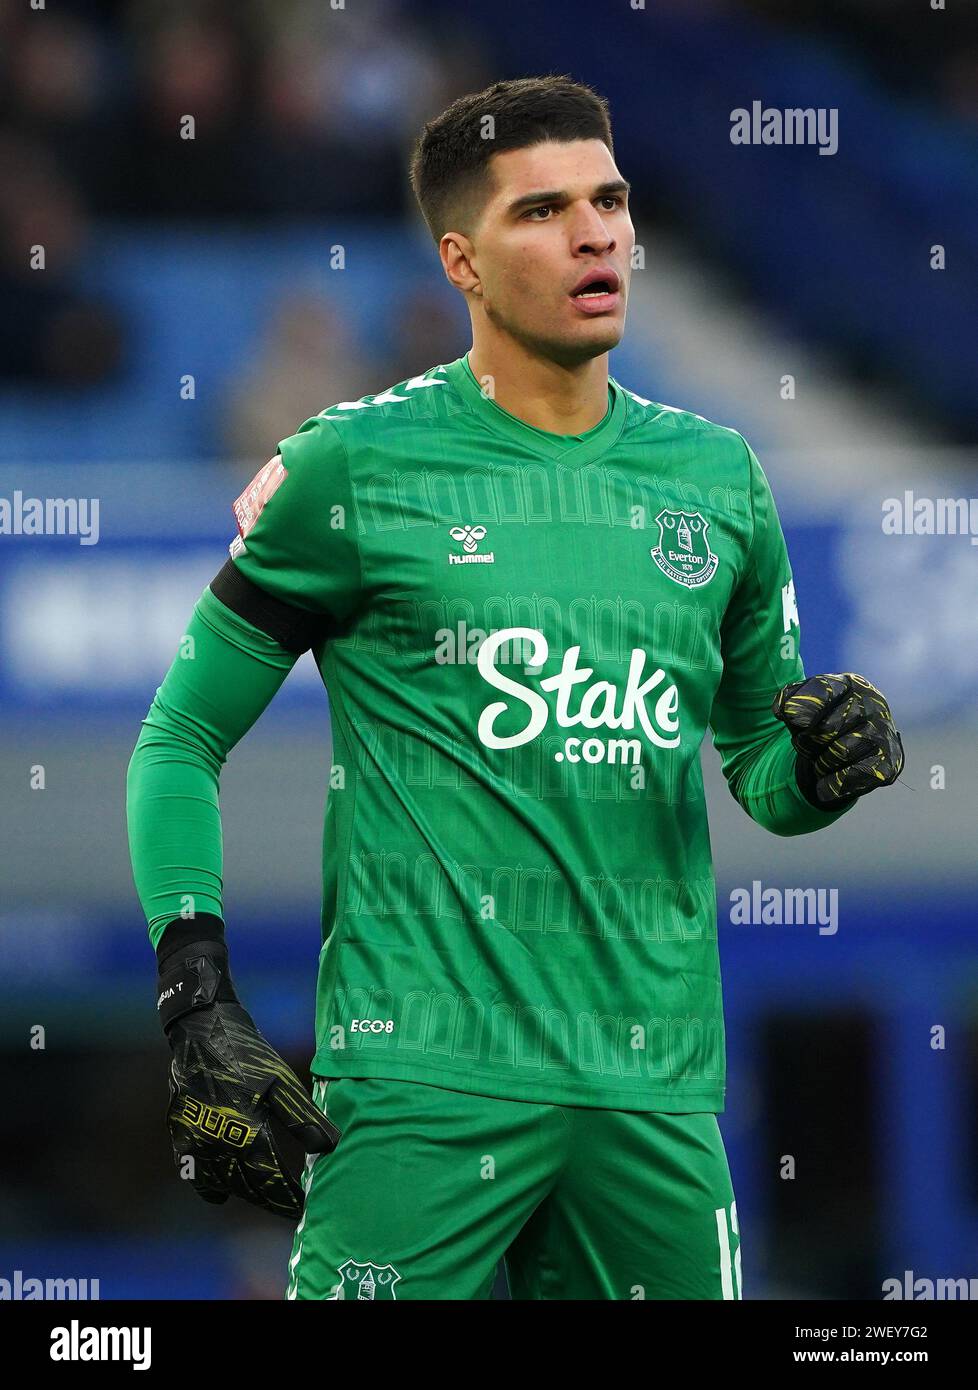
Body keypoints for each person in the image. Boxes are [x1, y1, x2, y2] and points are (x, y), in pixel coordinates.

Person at [127, 74, 904, 1301]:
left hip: (653, 1086)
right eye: (542, 211)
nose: (596, 232)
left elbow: (763, 764)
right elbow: (177, 739)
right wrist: (195, 994)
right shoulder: (353, 468)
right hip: (422, 1076)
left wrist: (821, 766)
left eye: (611, 199)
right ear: (462, 263)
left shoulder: (718, 478)